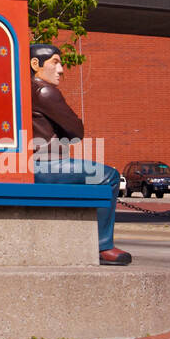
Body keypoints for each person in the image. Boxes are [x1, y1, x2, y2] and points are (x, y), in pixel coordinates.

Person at [29, 43, 132, 266]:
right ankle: (103, 246)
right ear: (35, 64)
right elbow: (76, 131)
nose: (61, 69)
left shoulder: (23, 89)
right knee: (109, 176)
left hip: (28, 163)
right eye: (55, 62)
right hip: (44, 164)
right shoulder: (45, 91)